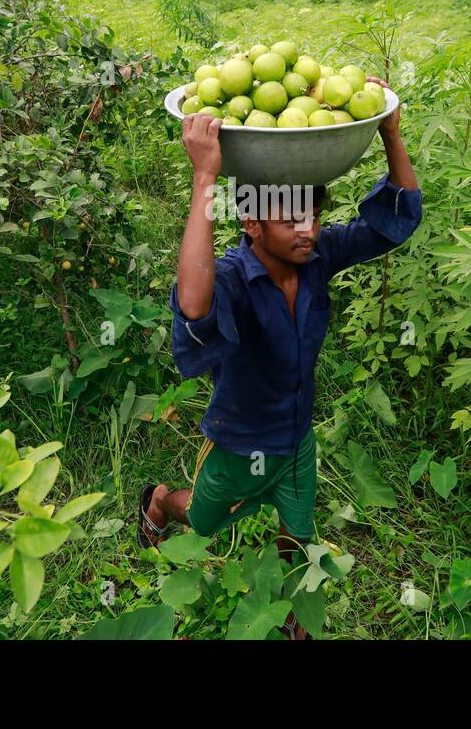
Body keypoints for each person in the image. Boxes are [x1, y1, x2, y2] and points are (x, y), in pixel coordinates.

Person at [138, 80, 421, 638]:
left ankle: (295, 612)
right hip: (241, 441)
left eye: (313, 218)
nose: (306, 231)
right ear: (251, 224)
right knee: (202, 519)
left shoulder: (316, 257)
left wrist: (389, 129)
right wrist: (205, 179)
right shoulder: (234, 281)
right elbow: (194, 304)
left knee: (298, 528)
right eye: (290, 220)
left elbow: (397, 220)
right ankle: (159, 501)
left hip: (296, 440)